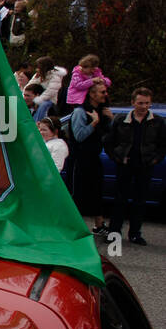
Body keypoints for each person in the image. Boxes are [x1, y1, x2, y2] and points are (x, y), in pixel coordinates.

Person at [104, 88, 165, 246]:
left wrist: (155, 160)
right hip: (125, 164)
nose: (143, 106)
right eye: (140, 103)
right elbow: (109, 141)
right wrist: (117, 157)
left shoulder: (157, 122)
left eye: (146, 103)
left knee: (140, 200)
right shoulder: (121, 120)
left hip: (145, 165)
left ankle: (135, 233)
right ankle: (114, 232)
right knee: (120, 199)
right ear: (133, 103)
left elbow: (162, 145)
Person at [70, 79, 113, 235]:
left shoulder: (102, 111)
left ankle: (99, 225)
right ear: (92, 94)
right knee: (79, 192)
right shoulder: (80, 112)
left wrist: (110, 120)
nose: (105, 95)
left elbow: (109, 135)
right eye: (102, 92)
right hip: (80, 159)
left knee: (96, 191)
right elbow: (79, 136)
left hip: (94, 157)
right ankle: (72, 227)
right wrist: (93, 123)